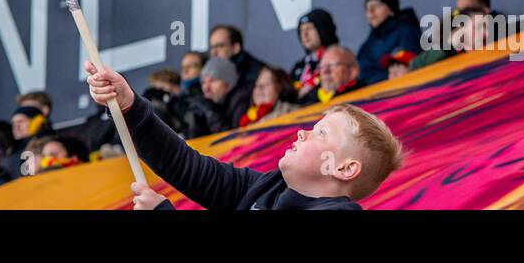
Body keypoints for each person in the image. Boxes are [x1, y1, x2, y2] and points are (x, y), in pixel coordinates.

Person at [86, 60, 403, 210]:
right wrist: (130, 106)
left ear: (343, 168)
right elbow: (190, 168)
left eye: (321, 133)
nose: (304, 132)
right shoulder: (267, 188)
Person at [356, 0, 422, 86]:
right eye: (367, 8)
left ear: (391, 9)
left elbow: (409, 66)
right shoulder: (367, 44)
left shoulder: (406, 31)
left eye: (375, 6)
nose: (370, 11)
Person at [410, 5, 491, 70]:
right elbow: (414, 67)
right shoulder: (447, 55)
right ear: (461, 28)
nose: (486, 33)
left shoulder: (492, 53)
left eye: (487, 27)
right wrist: (449, 46)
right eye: (478, 27)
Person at [291, 9, 339, 100]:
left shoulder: (339, 58)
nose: (304, 34)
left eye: (309, 28)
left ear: (323, 30)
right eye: (301, 30)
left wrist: (310, 91)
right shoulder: (299, 67)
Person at [209, 25, 264, 97]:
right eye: (212, 47)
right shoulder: (211, 72)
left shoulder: (256, 73)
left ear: (236, 48)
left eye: (220, 46)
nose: (214, 53)